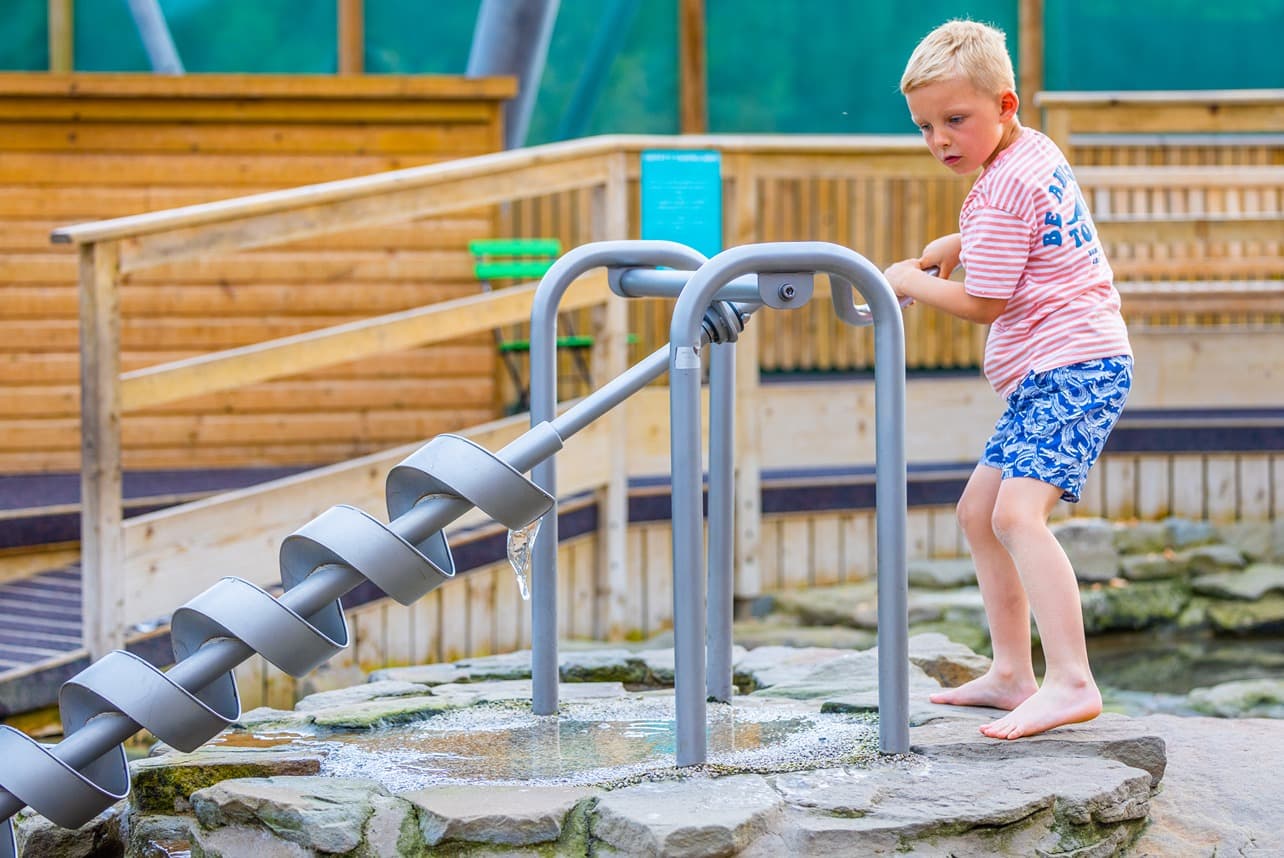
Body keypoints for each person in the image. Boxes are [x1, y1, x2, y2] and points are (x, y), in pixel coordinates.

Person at [883, 20, 1133, 740]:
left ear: (1005, 104)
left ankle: (1072, 681)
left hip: (1073, 367)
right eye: (926, 126)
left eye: (955, 120)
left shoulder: (996, 191)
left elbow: (985, 302)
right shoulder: (1031, 154)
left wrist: (910, 279)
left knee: (1017, 516)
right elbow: (1033, 224)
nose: (940, 140)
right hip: (1059, 369)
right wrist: (959, 243)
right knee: (978, 513)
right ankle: (1012, 674)